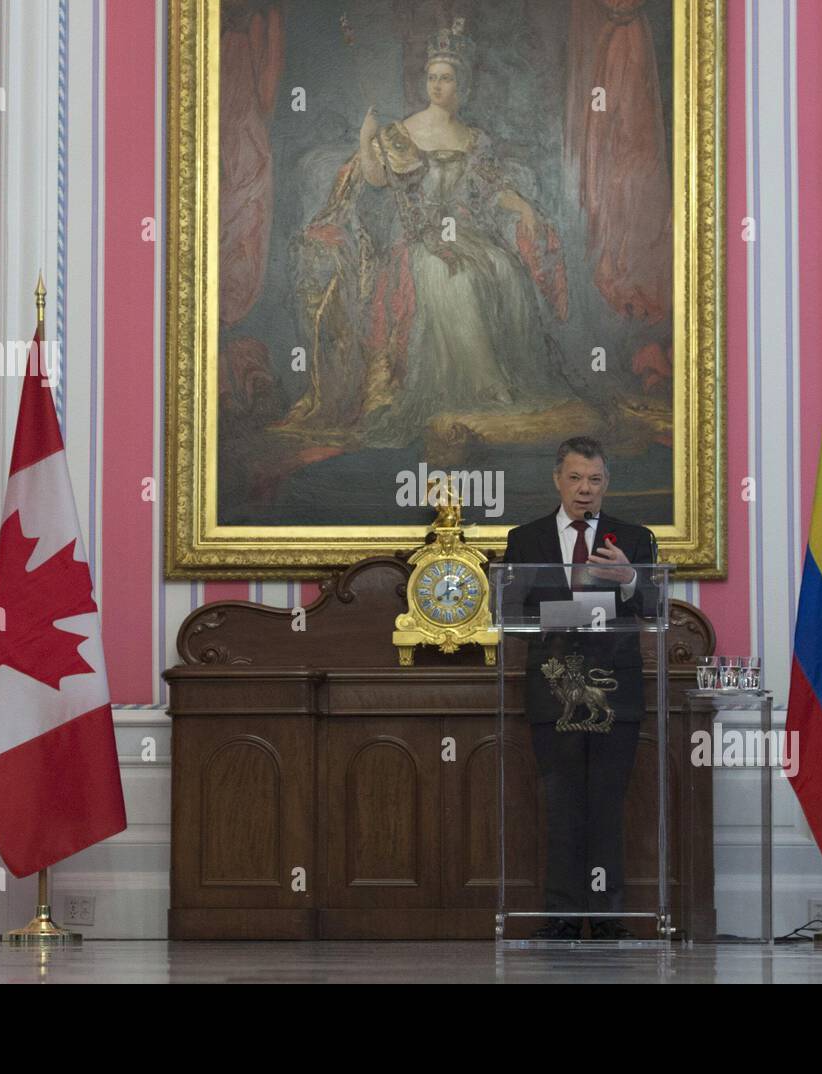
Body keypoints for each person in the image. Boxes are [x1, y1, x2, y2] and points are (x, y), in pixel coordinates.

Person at [279, 20, 570, 447]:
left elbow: (493, 188)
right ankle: (483, 385)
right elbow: (376, 179)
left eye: (446, 78)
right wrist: (365, 140)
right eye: (432, 77)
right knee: (454, 277)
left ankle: (506, 381)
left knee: (504, 268)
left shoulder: (474, 138)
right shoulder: (405, 130)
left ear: (462, 85)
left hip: (467, 232)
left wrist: (523, 205)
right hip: (418, 237)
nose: (437, 85)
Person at [502, 436, 656, 940]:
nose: (584, 489)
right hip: (554, 690)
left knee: (608, 809)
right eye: (575, 478)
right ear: (557, 480)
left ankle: (609, 916)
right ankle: (563, 915)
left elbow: (653, 608)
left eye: (594, 480)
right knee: (563, 809)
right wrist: (580, 612)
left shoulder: (634, 539)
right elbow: (511, 615)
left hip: (616, 691)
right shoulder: (525, 541)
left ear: (606, 483)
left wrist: (631, 579)